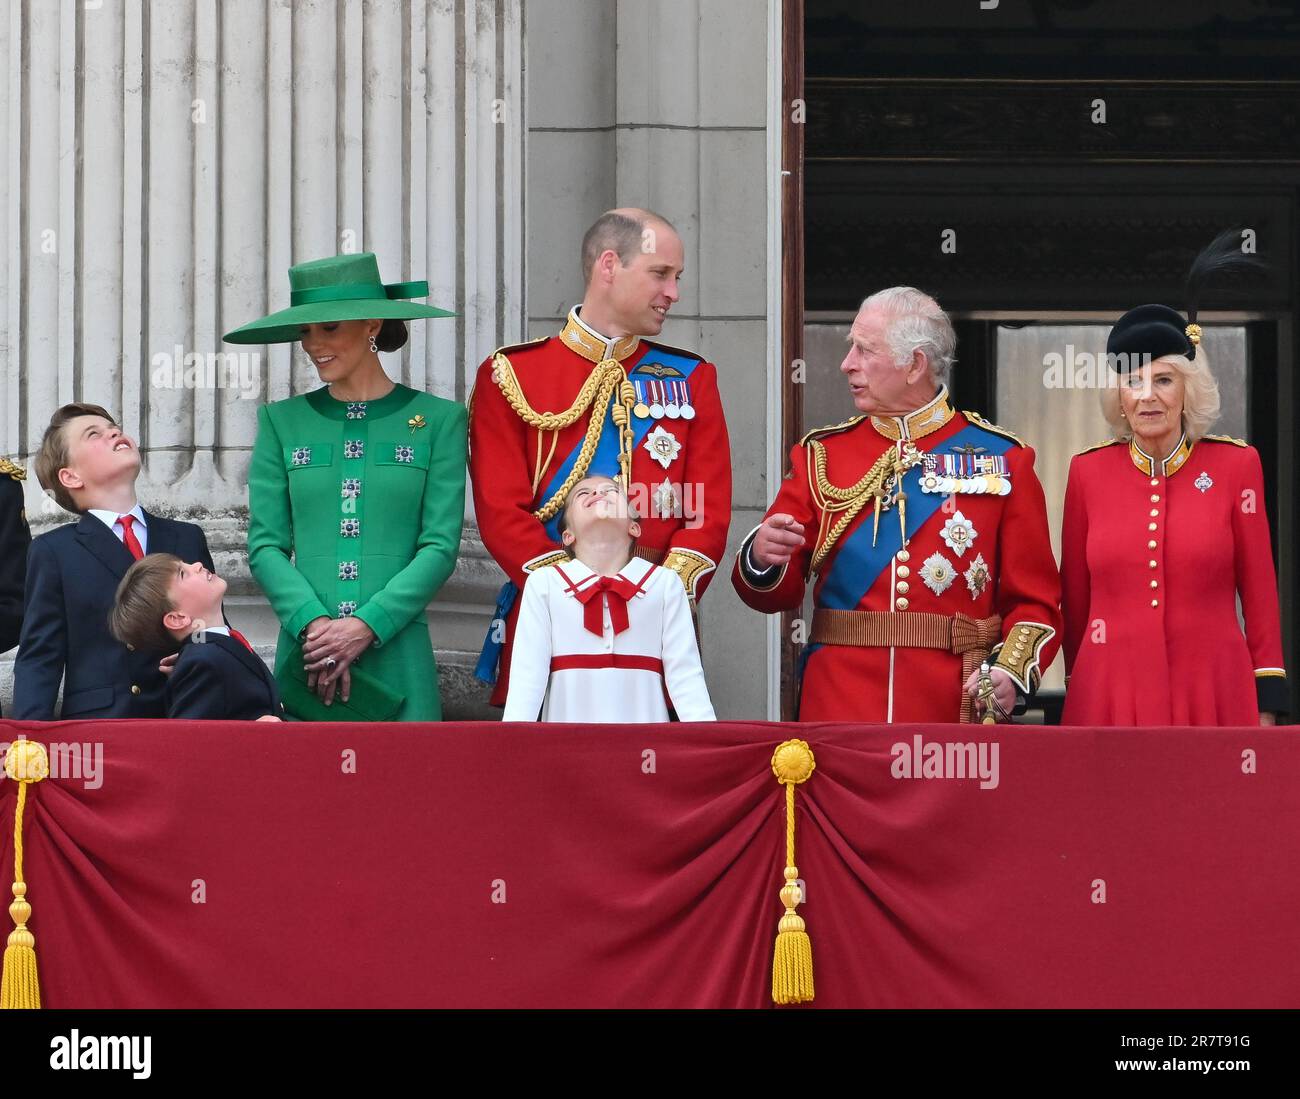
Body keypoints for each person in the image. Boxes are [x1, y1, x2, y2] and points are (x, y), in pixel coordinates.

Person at [732, 287, 1062, 723]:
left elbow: (1036, 602)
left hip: (948, 705)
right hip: (838, 703)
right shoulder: (821, 455)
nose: (847, 363)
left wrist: (1009, 671)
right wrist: (762, 556)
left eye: (864, 350)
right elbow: (776, 591)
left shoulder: (1003, 459)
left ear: (915, 365)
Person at [468, 208, 732, 708]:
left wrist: (655, 595)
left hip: (657, 626)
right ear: (609, 266)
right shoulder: (510, 374)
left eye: (677, 278)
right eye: (661, 274)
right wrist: (569, 590)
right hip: (548, 619)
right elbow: (501, 511)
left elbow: (708, 511)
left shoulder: (692, 376)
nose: (673, 292)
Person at [225, 252, 465, 721]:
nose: (314, 343)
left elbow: (439, 546)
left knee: (408, 791)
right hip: (310, 659)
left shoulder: (440, 421)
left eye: (329, 327)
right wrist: (314, 626)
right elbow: (266, 546)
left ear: (371, 323)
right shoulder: (280, 421)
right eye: (305, 331)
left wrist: (366, 625)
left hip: (398, 654)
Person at [1061, 235, 1288, 726]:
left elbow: (1260, 592)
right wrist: (1083, 688)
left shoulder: (1236, 466)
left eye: (1163, 380)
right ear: (1117, 396)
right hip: (1110, 694)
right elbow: (1075, 601)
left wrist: (1266, 696)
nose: (1148, 397)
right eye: (1133, 382)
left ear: (1189, 389)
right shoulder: (1087, 473)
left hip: (1215, 689)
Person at [11, 404, 218, 719]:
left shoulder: (187, 538)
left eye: (114, 427)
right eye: (93, 434)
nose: (114, 432)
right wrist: (26, 740)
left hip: (188, 715)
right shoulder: (54, 551)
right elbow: (41, 656)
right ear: (70, 476)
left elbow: (216, 631)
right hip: (102, 727)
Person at [503, 476, 714, 722]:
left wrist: (707, 741)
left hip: (645, 748)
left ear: (633, 527)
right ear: (567, 535)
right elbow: (527, 679)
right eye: (583, 494)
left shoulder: (665, 584)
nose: (598, 494)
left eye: (612, 491)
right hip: (567, 748)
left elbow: (686, 677)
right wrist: (513, 749)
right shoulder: (544, 584)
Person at [109, 554, 284, 721]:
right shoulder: (202, 662)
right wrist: (254, 735)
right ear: (177, 619)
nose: (198, 565)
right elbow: (193, 743)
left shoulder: (213, 652)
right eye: (183, 573)